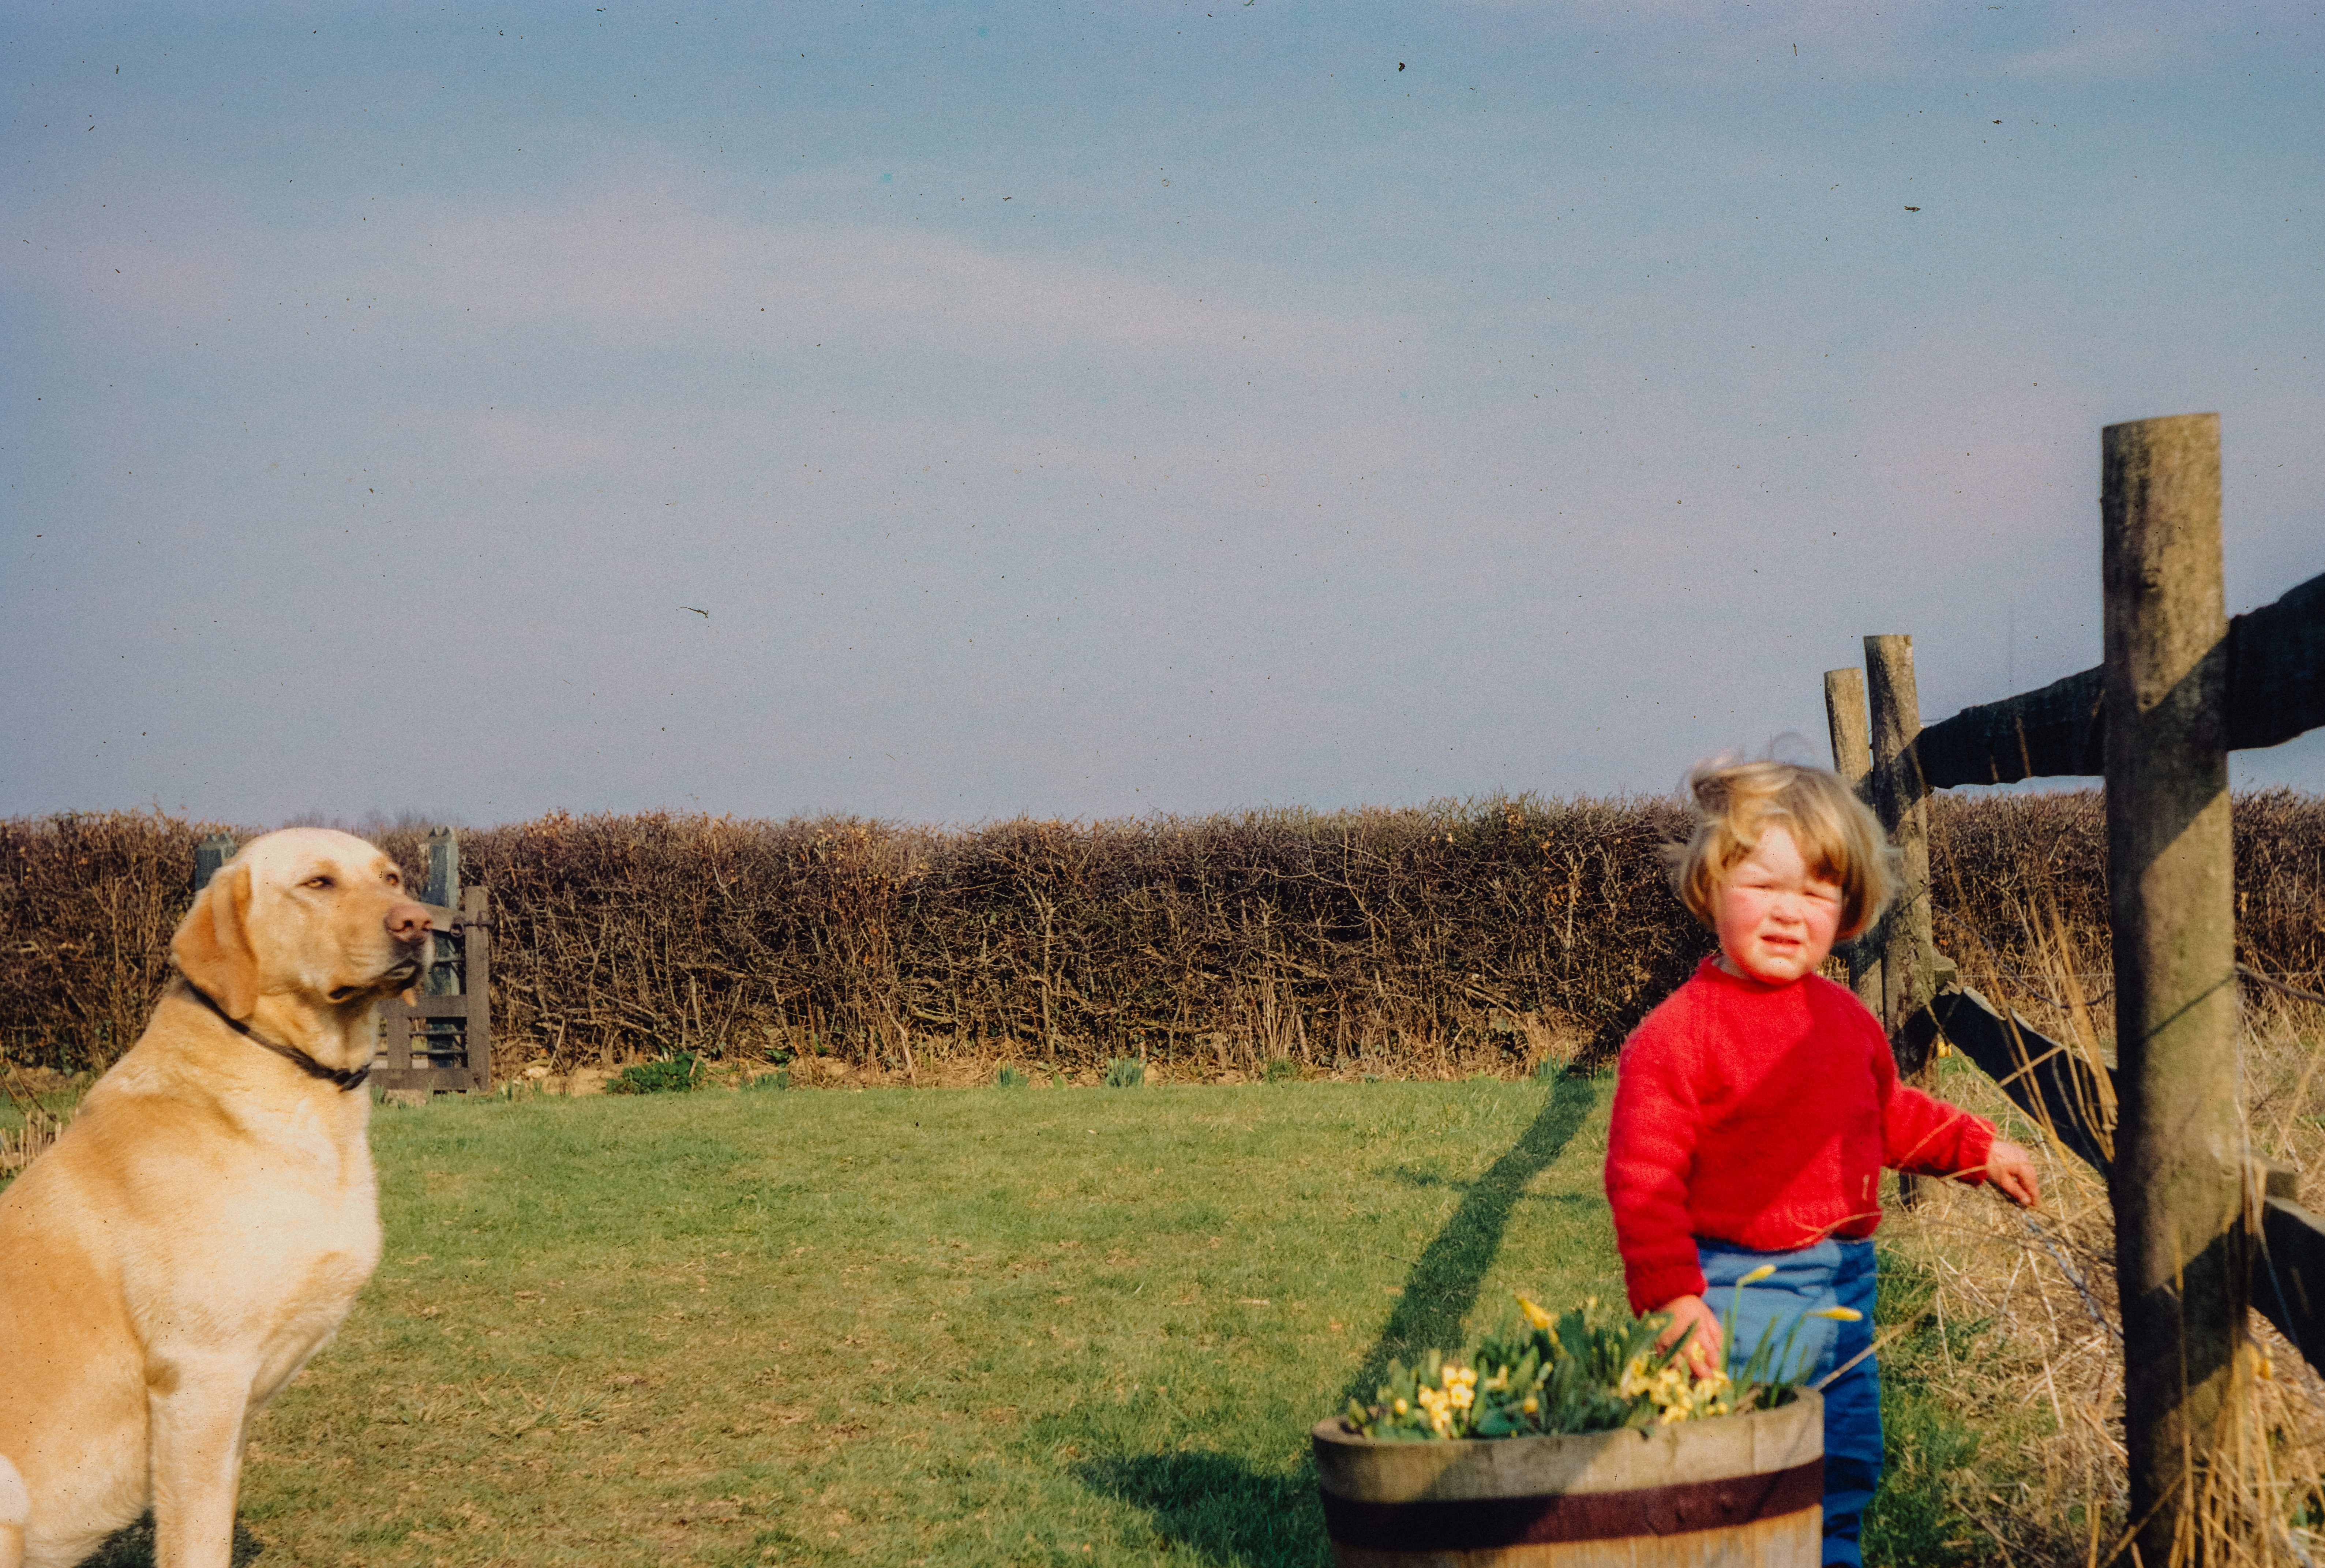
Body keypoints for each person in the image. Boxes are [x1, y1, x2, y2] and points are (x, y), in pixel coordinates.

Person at [1602, 758, 2040, 1568]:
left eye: (1814, 891)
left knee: (1842, 1465)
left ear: (1848, 909)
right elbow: (1643, 1179)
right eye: (1762, 884)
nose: (1787, 910)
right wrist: (1672, 1297)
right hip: (1729, 1293)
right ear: (1711, 886)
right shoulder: (1678, 1036)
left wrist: (1977, 1148)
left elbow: (1882, 1118)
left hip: (1842, 1286)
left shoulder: (1845, 1021)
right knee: (1732, 1477)